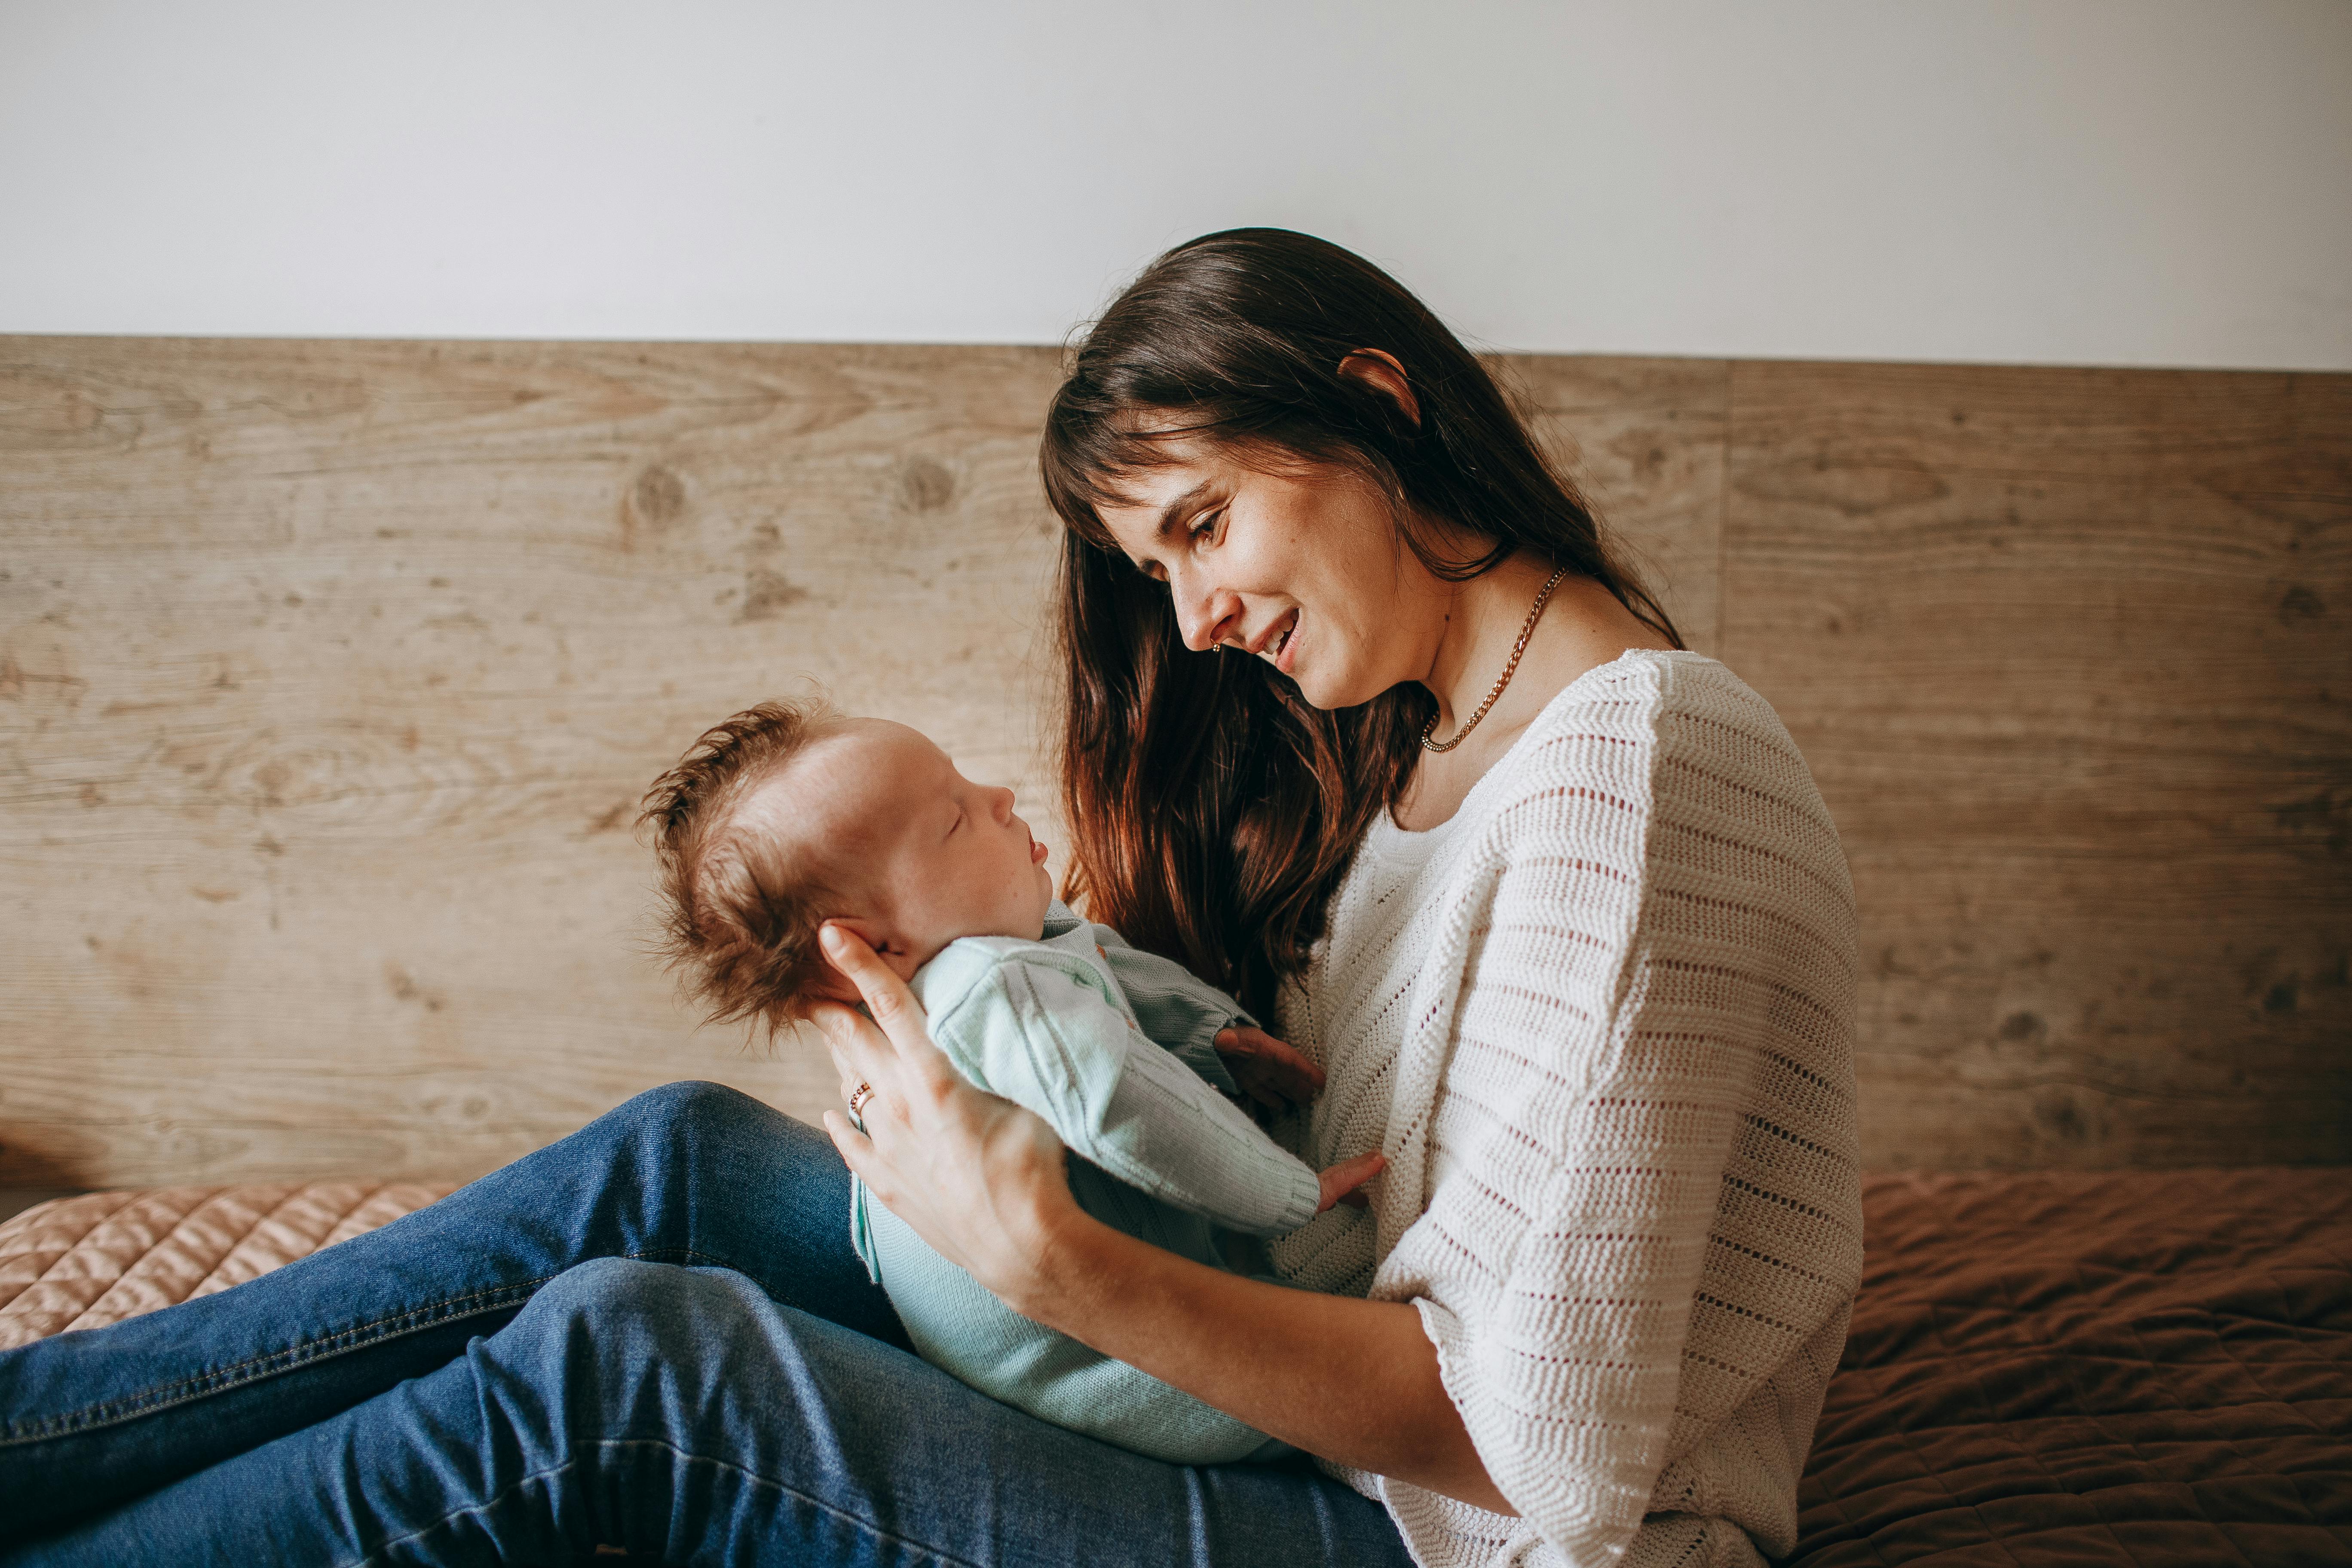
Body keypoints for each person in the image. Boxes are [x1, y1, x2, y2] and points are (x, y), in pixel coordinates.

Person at [0, 227, 1861, 1568]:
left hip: (1443, 1532)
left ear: (1376, 406)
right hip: (1308, 1402)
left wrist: (1054, 1263)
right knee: (673, 1163)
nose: (1197, 617)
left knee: (631, 1364)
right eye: (1158, 567)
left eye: (1203, 524)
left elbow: (1525, 1442)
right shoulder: (1431, 740)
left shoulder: (1640, 770)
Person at [635, 697, 1384, 1464]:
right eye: (954, 819)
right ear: (876, 947)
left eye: (964, 781)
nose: (999, 798)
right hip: (1190, 1399)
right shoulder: (987, 989)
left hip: (1011, 1372)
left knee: (672, 1142)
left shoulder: (939, 987)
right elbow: (1129, 1110)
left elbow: (1098, 967)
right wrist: (1290, 1195)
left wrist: (1208, 1038)